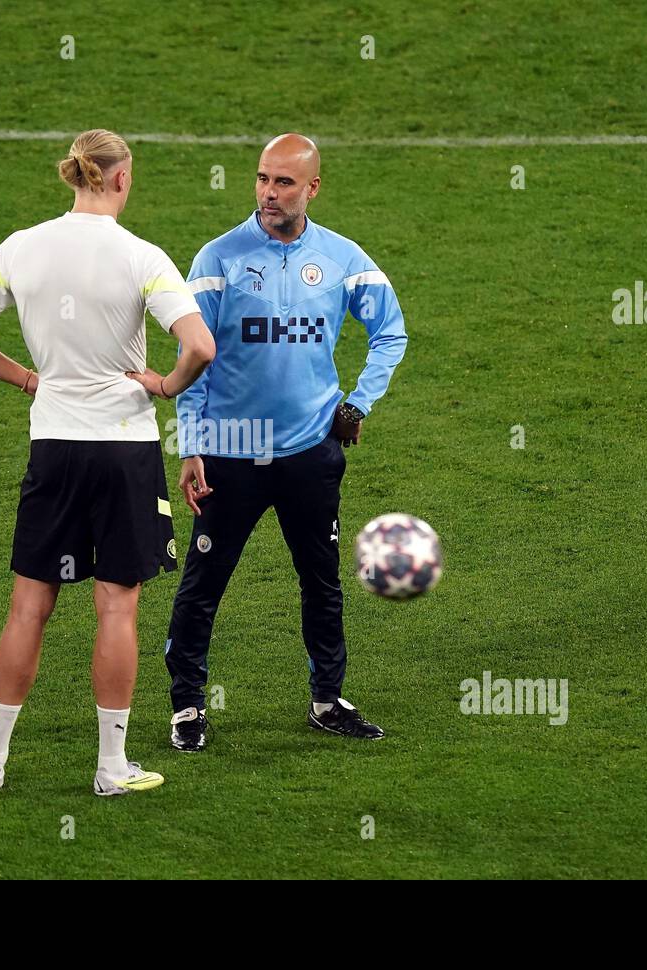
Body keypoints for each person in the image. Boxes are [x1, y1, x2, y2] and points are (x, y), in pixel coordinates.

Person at [0, 129, 215, 794]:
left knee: (28, 606)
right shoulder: (141, 256)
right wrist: (165, 385)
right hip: (124, 453)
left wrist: (29, 380)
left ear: (74, 177)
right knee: (116, 610)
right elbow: (199, 346)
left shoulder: (21, 247)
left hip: (54, 447)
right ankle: (111, 768)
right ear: (121, 179)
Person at [142, 132, 407, 751]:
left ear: (312, 188)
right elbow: (193, 359)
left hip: (311, 453)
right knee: (204, 584)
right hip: (232, 451)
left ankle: (327, 699)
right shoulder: (219, 258)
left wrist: (358, 402)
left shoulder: (343, 259)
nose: (269, 193)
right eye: (262, 179)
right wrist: (192, 446)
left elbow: (389, 333)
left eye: (284, 182)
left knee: (321, 581)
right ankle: (186, 708)